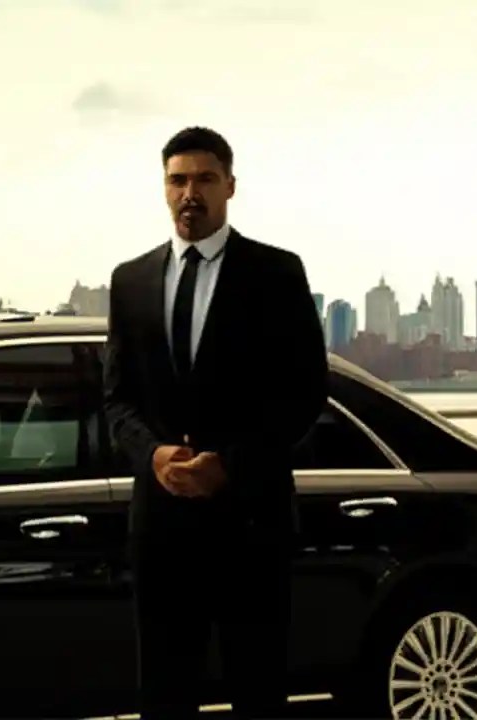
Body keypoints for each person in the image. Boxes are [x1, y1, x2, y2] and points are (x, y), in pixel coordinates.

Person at [102, 126, 328, 719]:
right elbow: (116, 399)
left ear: (230, 186)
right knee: (165, 693)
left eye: (204, 179)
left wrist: (228, 465)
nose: (190, 193)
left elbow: (304, 394)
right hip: (161, 530)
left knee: (257, 689)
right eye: (178, 180)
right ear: (164, 189)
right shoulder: (130, 281)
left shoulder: (276, 274)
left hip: (250, 523)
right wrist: (151, 456)